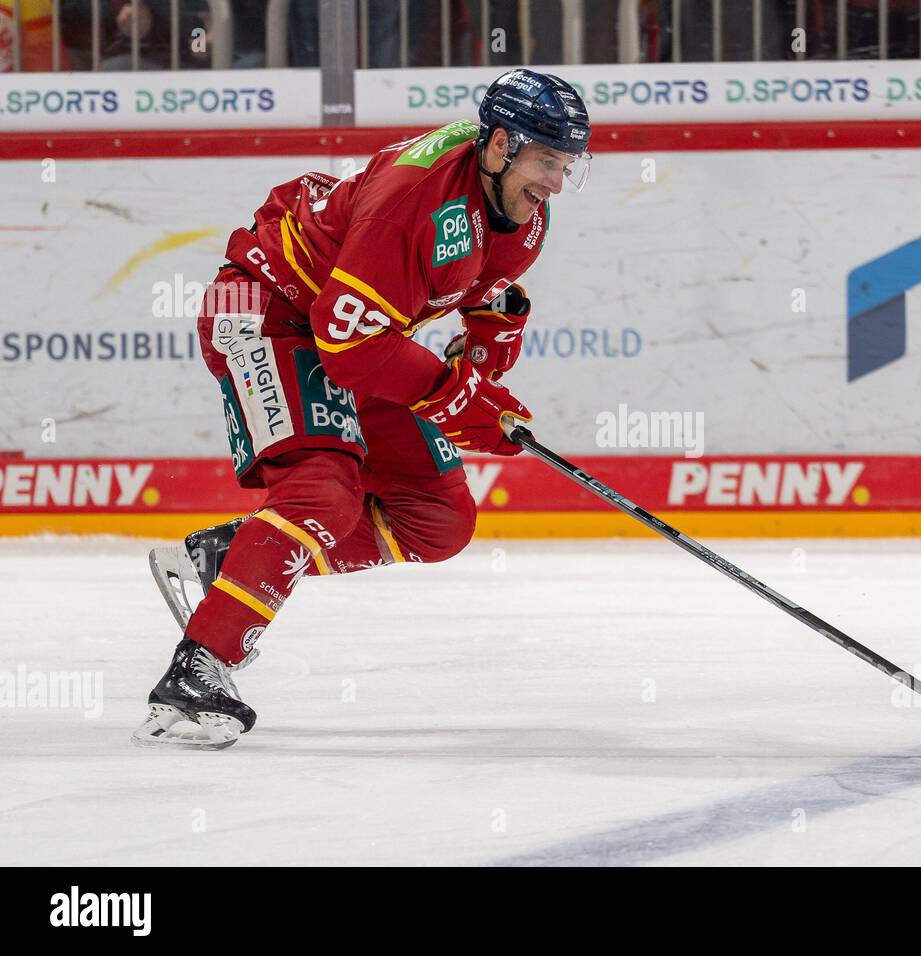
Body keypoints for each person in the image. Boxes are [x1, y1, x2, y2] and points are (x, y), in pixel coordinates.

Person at [134, 69, 593, 749]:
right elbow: (347, 342)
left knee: (436, 519)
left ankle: (229, 560)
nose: (556, 181)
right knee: (323, 492)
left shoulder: (520, 213)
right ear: (499, 145)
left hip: (348, 335)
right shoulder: (416, 198)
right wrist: (458, 397)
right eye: (547, 160)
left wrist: (485, 365)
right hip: (268, 311)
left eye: (567, 164)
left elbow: (480, 299)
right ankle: (195, 676)